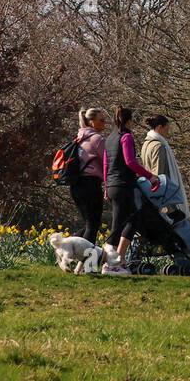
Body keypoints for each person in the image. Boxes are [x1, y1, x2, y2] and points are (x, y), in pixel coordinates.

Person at [102, 106, 158, 273]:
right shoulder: (126, 137)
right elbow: (130, 162)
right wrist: (150, 176)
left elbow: (105, 164)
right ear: (128, 121)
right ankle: (110, 263)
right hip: (123, 185)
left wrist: (106, 186)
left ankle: (119, 259)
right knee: (121, 224)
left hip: (112, 185)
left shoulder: (109, 139)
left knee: (130, 220)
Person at [140, 115, 190, 221]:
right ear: (159, 127)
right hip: (162, 197)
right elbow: (159, 174)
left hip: (150, 191)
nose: (168, 132)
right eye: (167, 128)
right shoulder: (159, 146)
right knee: (179, 219)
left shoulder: (146, 144)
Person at [70, 107, 108, 243]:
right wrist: (108, 185)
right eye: (101, 120)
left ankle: (69, 245)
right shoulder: (97, 139)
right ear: (92, 122)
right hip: (91, 185)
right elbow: (108, 163)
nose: (104, 123)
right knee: (93, 224)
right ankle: (87, 255)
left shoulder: (78, 138)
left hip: (76, 185)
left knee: (89, 223)